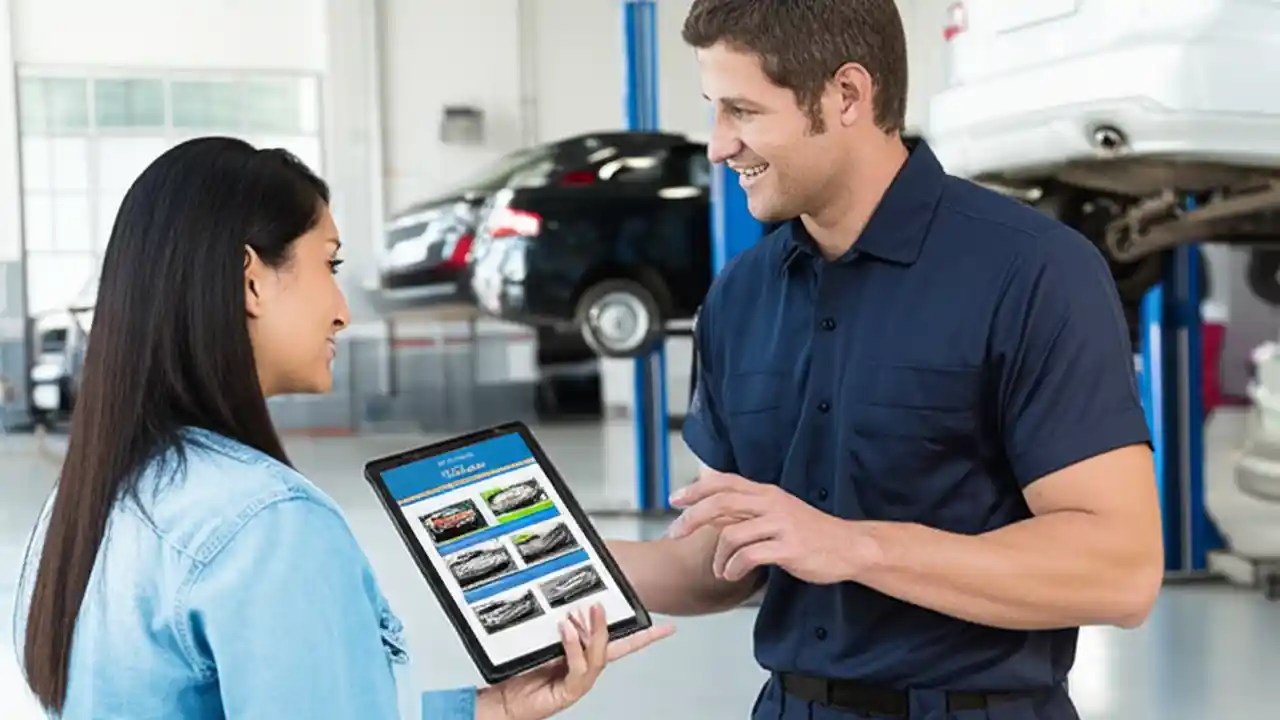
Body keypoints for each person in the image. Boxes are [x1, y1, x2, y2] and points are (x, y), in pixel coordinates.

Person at [610, 1, 1164, 719]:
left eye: (742, 111)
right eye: (715, 109)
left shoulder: (1032, 272)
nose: (719, 146)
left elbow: (1119, 570)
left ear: (846, 95)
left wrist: (854, 547)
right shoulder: (740, 298)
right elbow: (724, 557)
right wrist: (546, 564)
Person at [15, 137, 672, 719]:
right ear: (251, 281)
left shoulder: (80, 506)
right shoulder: (270, 526)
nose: (342, 311)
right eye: (328, 265)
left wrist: (487, 709)